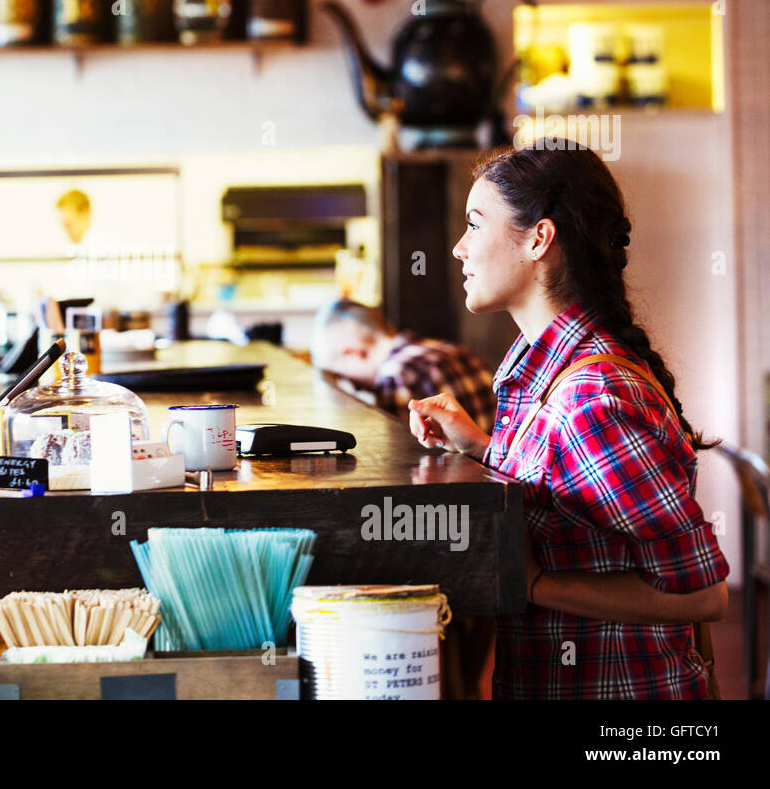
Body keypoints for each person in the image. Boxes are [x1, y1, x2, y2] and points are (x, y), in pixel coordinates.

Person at [408, 141, 728, 699]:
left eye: (474, 224)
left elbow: (702, 595)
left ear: (539, 239)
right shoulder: (542, 368)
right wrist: (481, 447)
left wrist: (535, 583)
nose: (459, 248)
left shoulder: (591, 395)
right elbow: (573, 495)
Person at [311, 299, 497, 433]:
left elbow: (400, 456)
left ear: (353, 352)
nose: (350, 383)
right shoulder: (453, 350)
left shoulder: (395, 375)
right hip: (495, 474)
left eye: (339, 374)